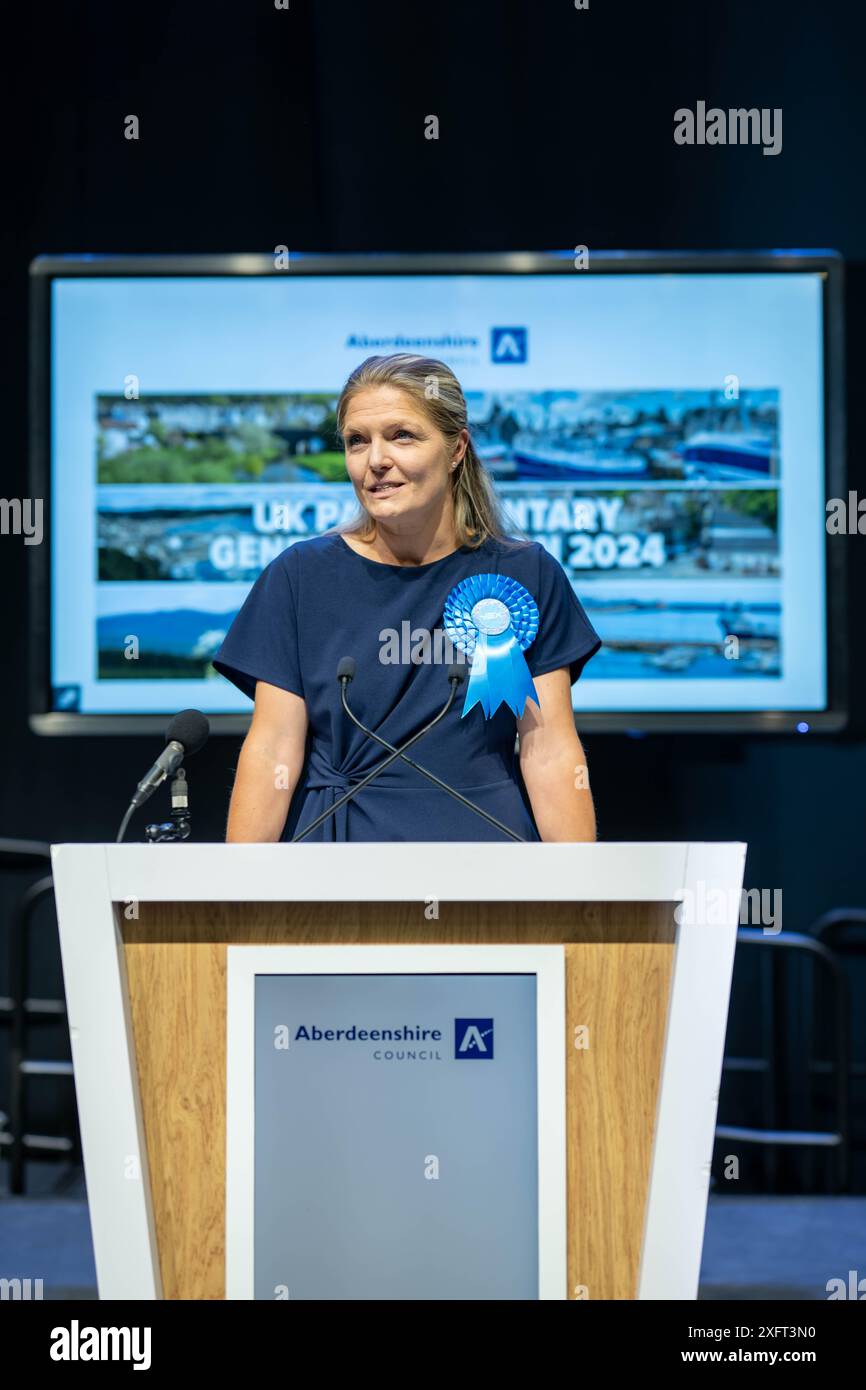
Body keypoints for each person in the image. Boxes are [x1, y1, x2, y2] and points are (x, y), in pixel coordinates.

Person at [213, 353, 601, 842]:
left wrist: (582, 900)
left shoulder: (524, 573)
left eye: (402, 436)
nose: (376, 460)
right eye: (358, 441)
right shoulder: (298, 577)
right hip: (335, 856)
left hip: (485, 855)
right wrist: (237, 897)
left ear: (457, 448)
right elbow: (273, 749)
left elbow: (548, 749)